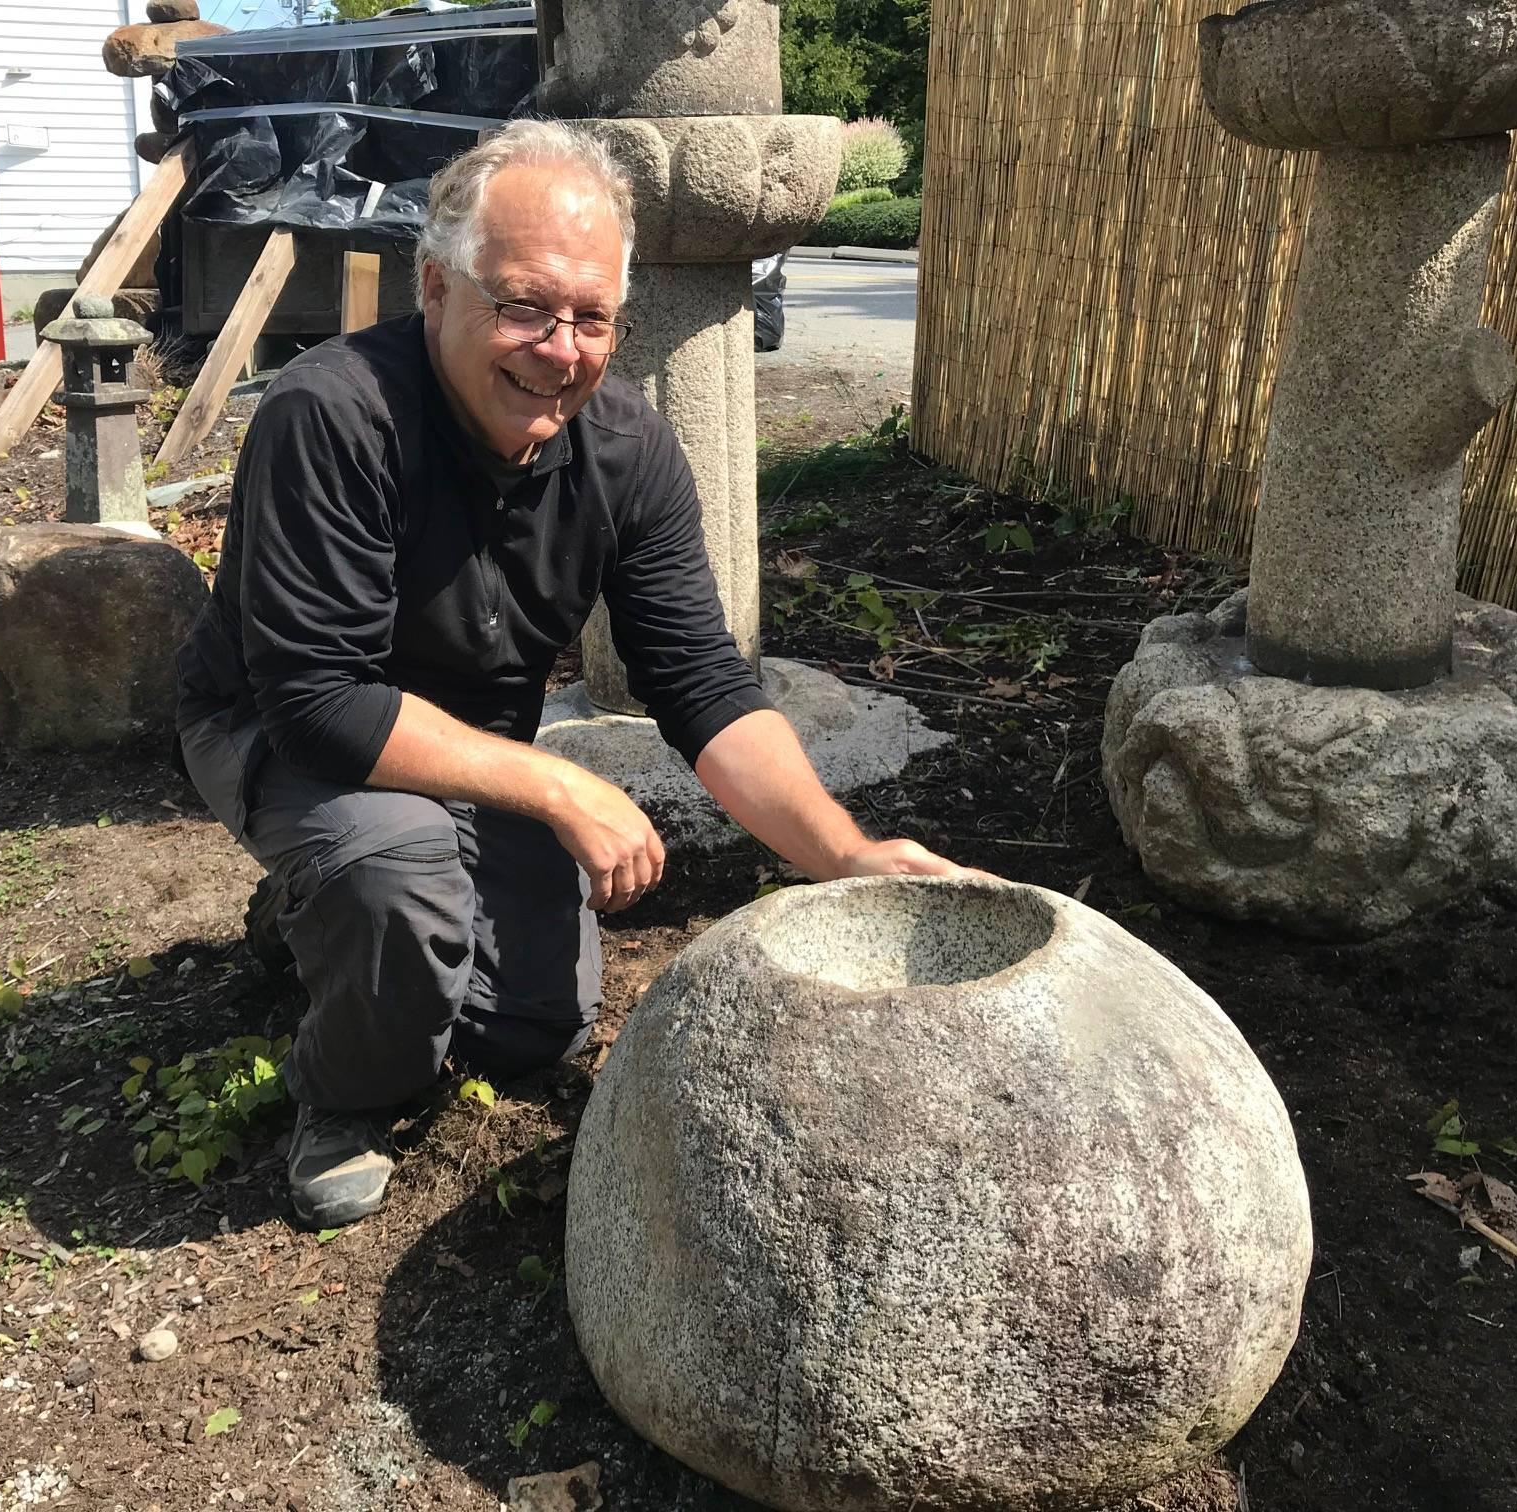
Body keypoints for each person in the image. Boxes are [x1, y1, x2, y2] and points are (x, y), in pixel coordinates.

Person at [176, 119, 980, 1227]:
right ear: (436, 288)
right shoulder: (333, 415)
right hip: (279, 730)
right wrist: (561, 785)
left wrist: (843, 855)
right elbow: (319, 702)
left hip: (469, 751)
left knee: (534, 1030)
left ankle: (320, 919)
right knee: (397, 873)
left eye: (591, 317)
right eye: (523, 306)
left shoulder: (627, 449)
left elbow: (703, 683)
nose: (561, 350)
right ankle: (344, 1088)